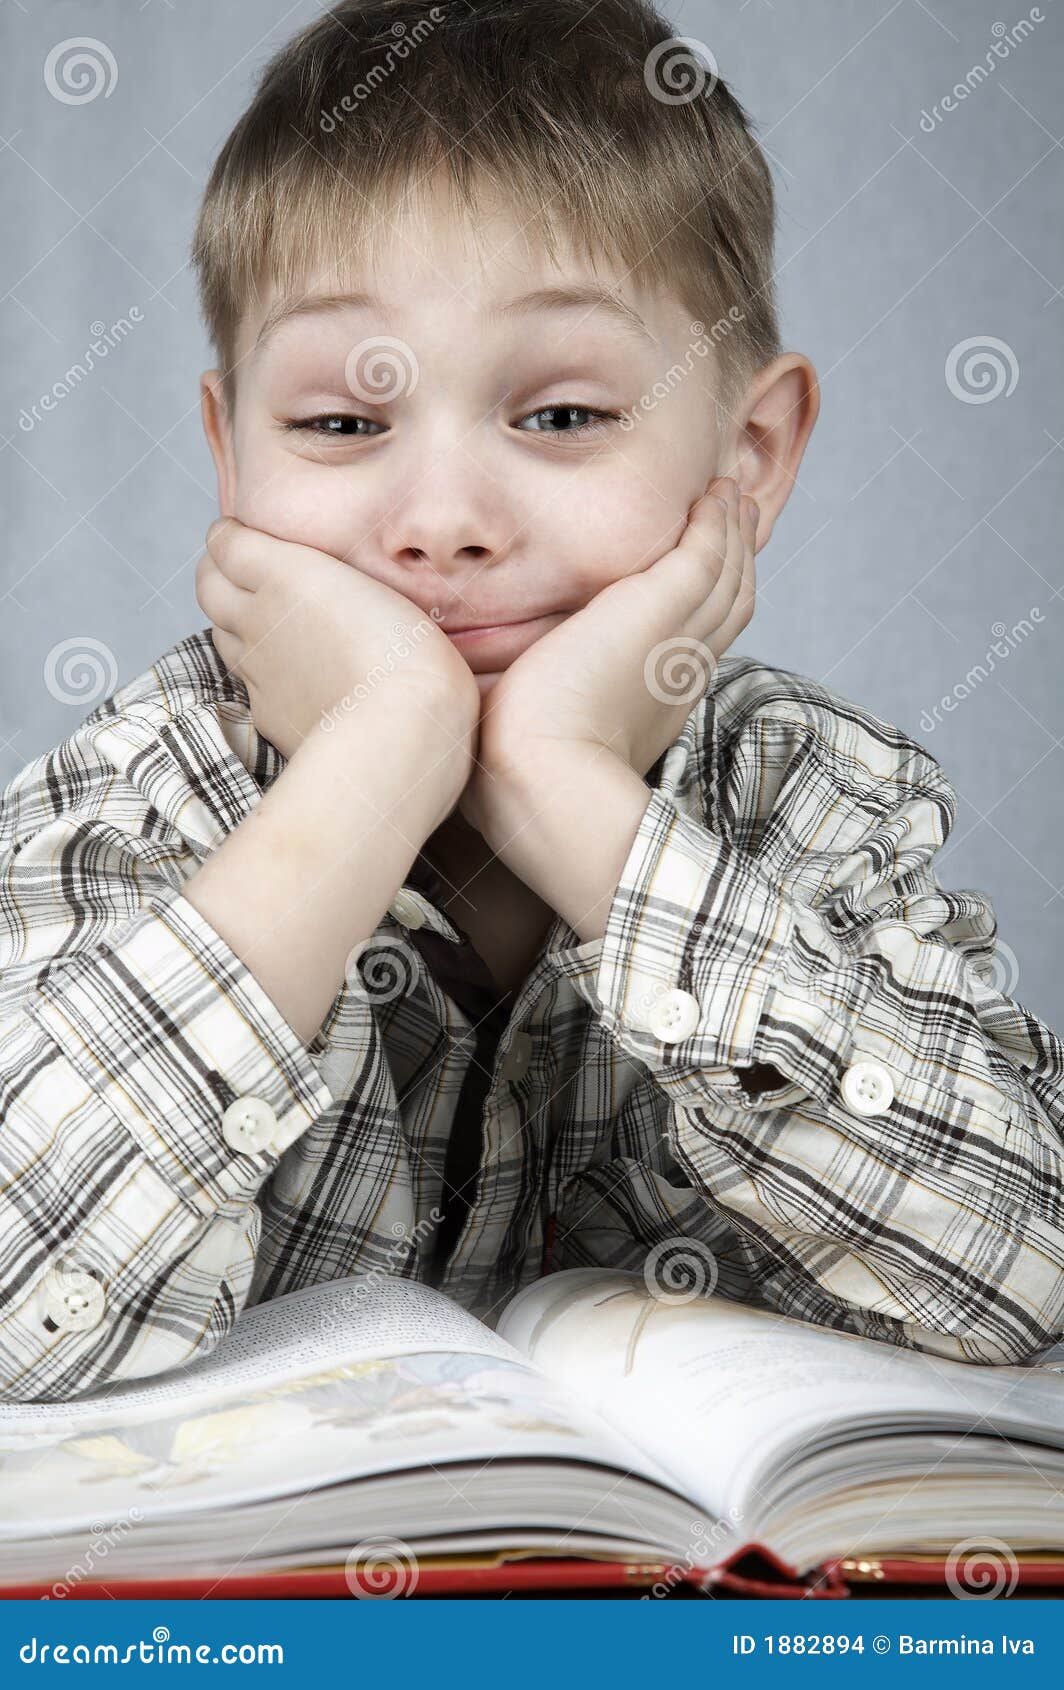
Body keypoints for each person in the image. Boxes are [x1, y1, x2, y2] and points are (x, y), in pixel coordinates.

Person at [2, 0, 1061, 1403]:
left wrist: (570, 791)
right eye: (340, 423)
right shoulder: (143, 797)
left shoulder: (801, 797)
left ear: (748, 452)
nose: (442, 523)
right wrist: (373, 767)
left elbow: (1020, 1271)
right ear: (230, 452)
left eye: (561, 416)